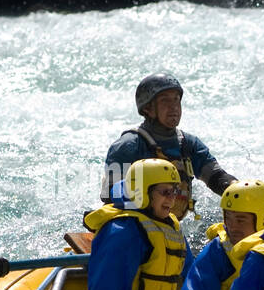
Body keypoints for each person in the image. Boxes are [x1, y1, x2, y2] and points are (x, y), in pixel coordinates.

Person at [84, 158, 189, 290]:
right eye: (165, 192)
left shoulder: (169, 226)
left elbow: (193, 280)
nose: (172, 199)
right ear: (142, 192)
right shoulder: (123, 231)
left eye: (175, 191)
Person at [100, 73, 236, 223]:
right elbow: (109, 196)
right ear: (148, 109)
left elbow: (216, 177)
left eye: (176, 100)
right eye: (165, 101)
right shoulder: (127, 146)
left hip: (173, 226)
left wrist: (235, 188)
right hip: (134, 225)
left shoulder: (188, 144)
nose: (174, 107)